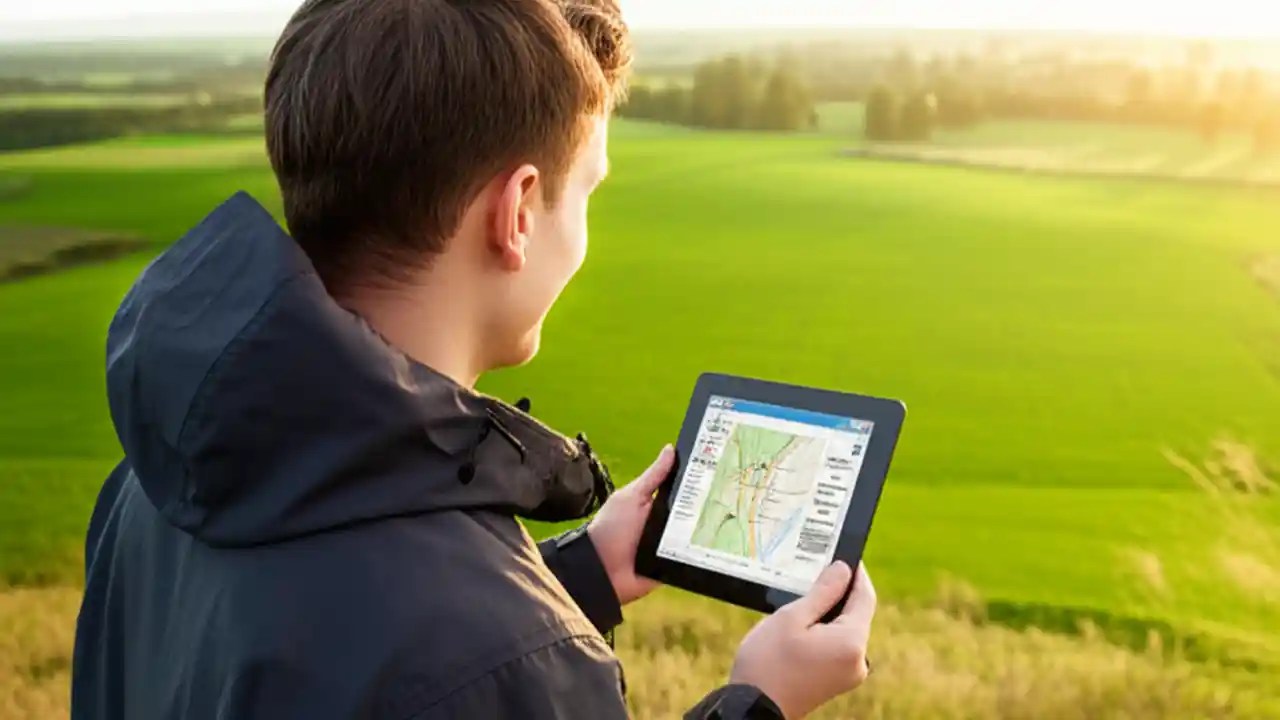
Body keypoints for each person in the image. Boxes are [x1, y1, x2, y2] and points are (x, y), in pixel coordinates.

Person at [70, 1, 877, 718]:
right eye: (586, 191)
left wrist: (581, 575)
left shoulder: (156, 488)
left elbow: (353, 644)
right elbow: (446, 661)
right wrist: (761, 700)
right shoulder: (502, 655)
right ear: (518, 210)